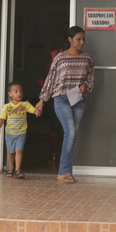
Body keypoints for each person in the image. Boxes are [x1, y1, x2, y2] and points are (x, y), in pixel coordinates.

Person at [34, 26, 94, 184]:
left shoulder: (87, 58)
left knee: (71, 135)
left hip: (78, 100)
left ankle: (65, 170)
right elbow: (50, 80)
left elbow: (90, 79)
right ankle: (64, 171)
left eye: (83, 39)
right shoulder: (60, 58)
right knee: (71, 133)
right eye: (78, 39)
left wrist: (86, 86)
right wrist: (42, 100)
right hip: (61, 99)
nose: (82, 42)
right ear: (70, 40)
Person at [0, 81, 37, 179]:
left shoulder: (25, 105)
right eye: (16, 91)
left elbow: (34, 110)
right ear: (10, 94)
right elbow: (2, 119)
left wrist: (38, 110)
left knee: (19, 151)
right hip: (9, 133)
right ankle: (11, 168)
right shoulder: (7, 107)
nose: (19, 93)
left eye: (21, 91)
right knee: (10, 151)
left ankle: (18, 169)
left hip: (21, 133)